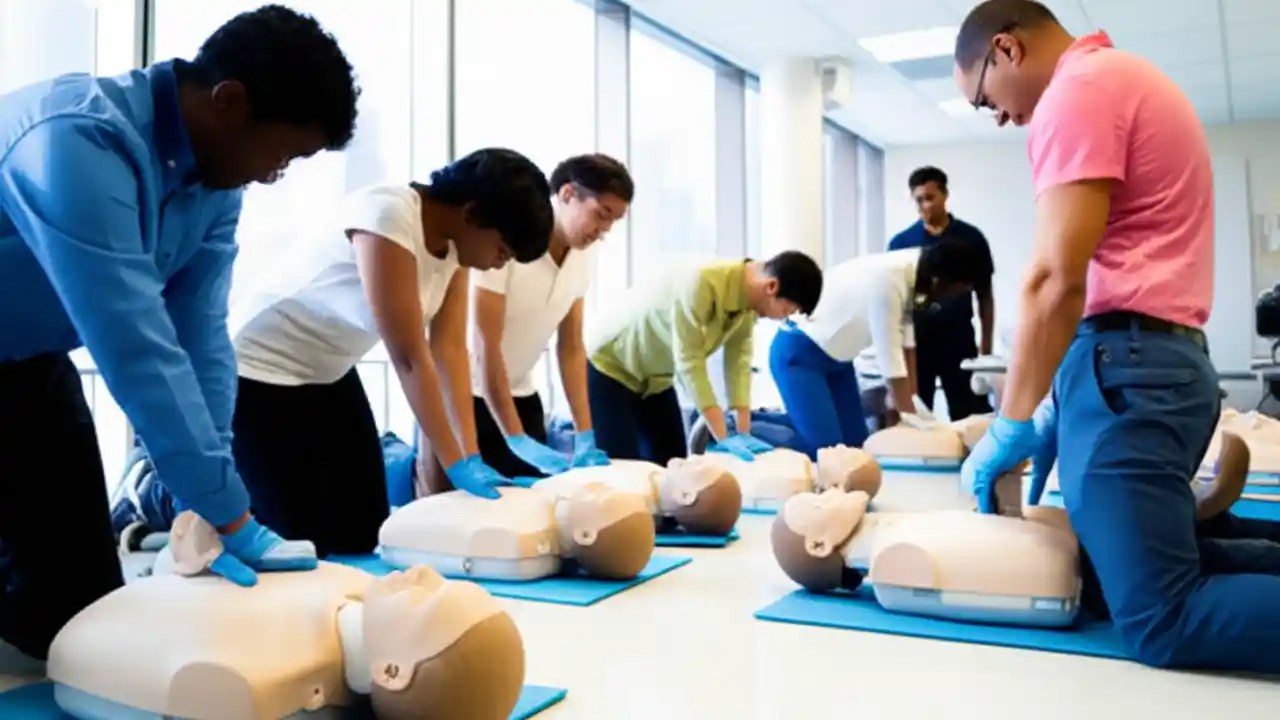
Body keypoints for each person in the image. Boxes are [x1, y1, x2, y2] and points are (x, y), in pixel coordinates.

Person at [0, 5, 359, 665]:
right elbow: (135, 345)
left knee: (74, 611)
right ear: (229, 101)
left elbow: (200, 339)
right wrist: (230, 513)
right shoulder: (77, 141)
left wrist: (209, 489)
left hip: (26, 358)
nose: (271, 173)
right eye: (282, 154)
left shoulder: (211, 181)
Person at [954, 0, 1280, 672]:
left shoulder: (1076, 92)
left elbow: (1053, 281)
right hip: (1144, 363)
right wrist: (1051, 405)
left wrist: (1009, 425)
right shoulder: (1118, 78)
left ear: (1007, 49)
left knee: (1162, 618)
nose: (1003, 118)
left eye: (988, 100)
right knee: (1109, 574)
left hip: (1131, 370)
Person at [228, 148, 553, 557]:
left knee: (362, 531)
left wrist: (471, 456)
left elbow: (449, 351)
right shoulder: (387, 215)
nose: (497, 263)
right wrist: (454, 464)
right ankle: (171, 500)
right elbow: (410, 357)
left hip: (329, 371)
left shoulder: (457, 247)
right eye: (502, 251)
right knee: (302, 541)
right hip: (258, 370)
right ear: (471, 214)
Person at [470, 154, 634, 481]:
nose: (603, 230)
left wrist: (585, 434)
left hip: (522, 395)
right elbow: (485, 345)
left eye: (613, 221)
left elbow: (571, 346)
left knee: (534, 513)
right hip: (469, 398)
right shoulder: (508, 241)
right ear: (567, 194)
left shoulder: (585, 256)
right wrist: (514, 438)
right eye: (601, 214)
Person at [587, 252, 823, 466]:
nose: (783, 318)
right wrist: (722, 437)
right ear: (771, 287)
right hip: (611, 367)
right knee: (624, 469)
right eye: (788, 310)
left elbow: (738, 363)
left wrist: (743, 433)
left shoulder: (747, 304)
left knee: (674, 468)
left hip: (655, 378)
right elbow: (689, 362)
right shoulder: (701, 282)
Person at [771, 240, 992, 458]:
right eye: (960, 290)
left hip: (838, 358)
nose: (955, 297)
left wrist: (913, 404)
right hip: (800, 353)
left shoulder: (916, 274)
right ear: (942, 280)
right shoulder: (889, 281)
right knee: (825, 449)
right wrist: (907, 416)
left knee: (855, 445)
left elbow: (907, 344)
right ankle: (753, 425)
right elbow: (890, 356)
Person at [888, 166, 996, 420]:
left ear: (945, 195)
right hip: (918, 341)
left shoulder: (971, 238)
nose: (925, 206)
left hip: (958, 338)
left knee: (969, 411)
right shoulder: (901, 243)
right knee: (917, 410)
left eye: (930, 198)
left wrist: (986, 351)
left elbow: (985, 295)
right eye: (919, 200)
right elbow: (896, 303)